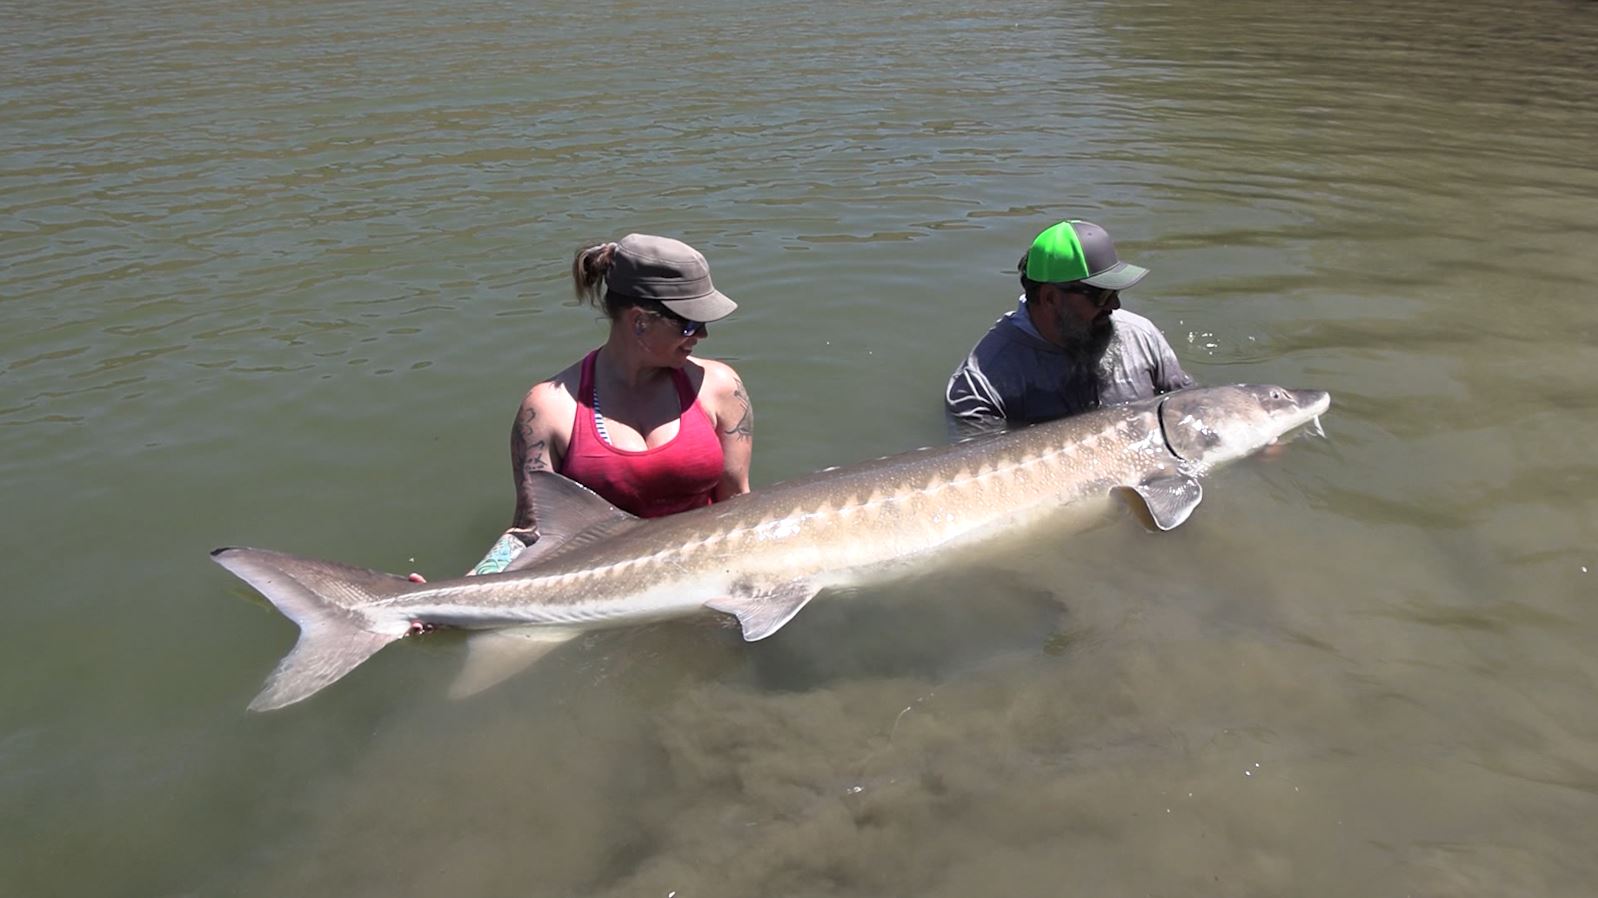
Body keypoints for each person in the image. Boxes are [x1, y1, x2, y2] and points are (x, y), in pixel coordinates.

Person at [464, 233, 753, 576]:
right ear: (639, 322)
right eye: (691, 324)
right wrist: (467, 585)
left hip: (705, 573)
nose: (702, 336)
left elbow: (739, 505)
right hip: (598, 582)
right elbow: (531, 532)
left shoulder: (720, 388)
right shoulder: (548, 409)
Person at [944, 219, 1194, 438]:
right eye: (1101, 294)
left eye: (1115, 292)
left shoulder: (1142, 335)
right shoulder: (982, 385)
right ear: (1050, 297)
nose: (1115, 305)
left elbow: (1191, 410)